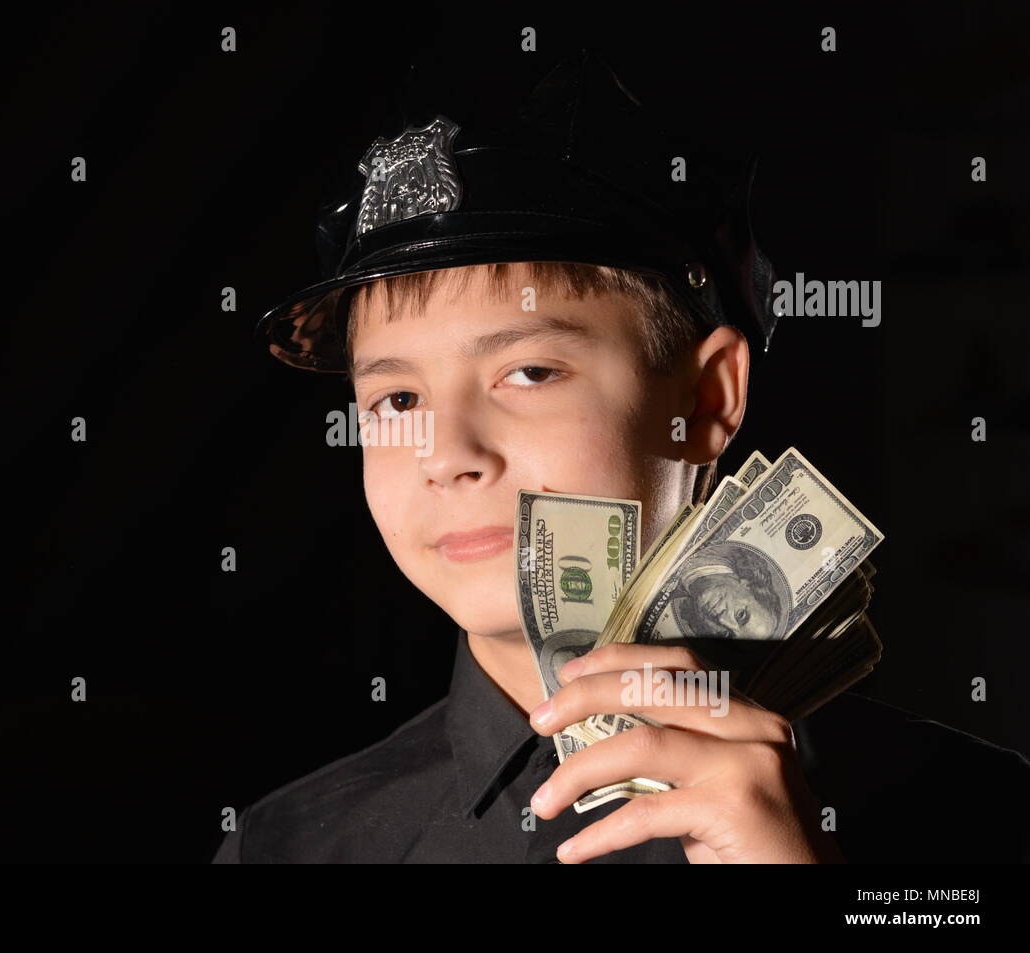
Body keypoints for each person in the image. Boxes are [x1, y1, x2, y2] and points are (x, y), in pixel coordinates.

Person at [213, 51, 1030, 863]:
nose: (448, 454)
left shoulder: (977, 817)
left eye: (529, 372)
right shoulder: (281, 846)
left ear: (707, 399)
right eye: (398, 401)